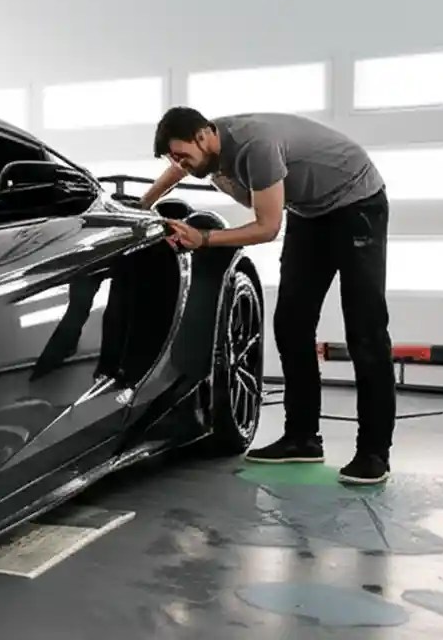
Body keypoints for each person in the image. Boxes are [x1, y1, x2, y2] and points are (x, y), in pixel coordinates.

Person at [143, 107, 396, 485]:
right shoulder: (203, 150)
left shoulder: (254, 146)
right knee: (291, 324)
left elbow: (266, 227)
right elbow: (178, 169)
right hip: (310, 213)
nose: (180, 164)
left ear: (203, 137)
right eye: (173, 158)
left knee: (365, 328)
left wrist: (205, 239)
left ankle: (374, 453)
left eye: (183, 155)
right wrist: (143, 204)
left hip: (357, 203)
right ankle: (302, 438)